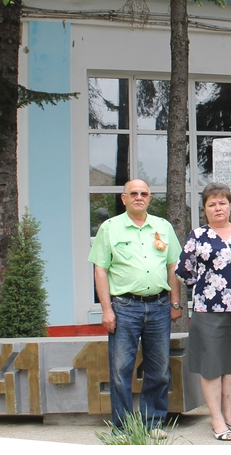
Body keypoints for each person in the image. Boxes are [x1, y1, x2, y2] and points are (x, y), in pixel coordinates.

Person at [88, 179, 182, 438]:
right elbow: (100, 269)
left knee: (159, 369)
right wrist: (106, 309)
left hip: (160, 306)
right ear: (124, 199)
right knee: (120, 370)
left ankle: (153, 423)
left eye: (144, 193)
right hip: (124, 307)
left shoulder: (162, 227)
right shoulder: (110, 228)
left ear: (150, 198)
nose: (139, 197)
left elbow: (173, 266)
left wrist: (175, 302)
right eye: (134, 194)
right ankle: (122, 427)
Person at [176, 183, 231, 442]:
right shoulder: (197, 236)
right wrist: (207, 285)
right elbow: (184, 271)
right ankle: (216, 418)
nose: (218, 208)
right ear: (204, 208)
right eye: (212, 204)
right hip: (207, 310)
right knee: (211, 365)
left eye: (222, 203)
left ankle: (230, 415)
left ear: (230, 205)